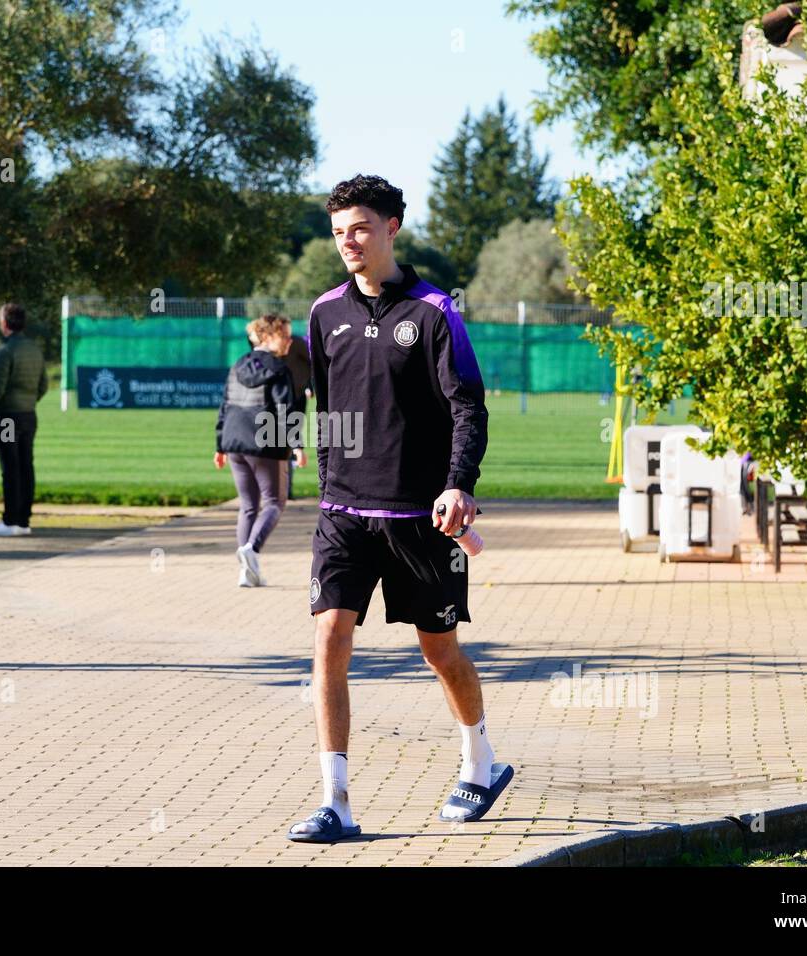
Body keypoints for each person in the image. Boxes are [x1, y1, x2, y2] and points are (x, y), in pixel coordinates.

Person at [287, 174, 509, 843]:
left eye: (359, 228)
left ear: (391, 227)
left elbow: (468, 404)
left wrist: (458, 484)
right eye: (337, 233)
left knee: (439, 652)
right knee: (329, 638)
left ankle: (481, 761)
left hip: (421, 517)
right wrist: (330, 478)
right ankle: (337, 802)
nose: (348, 242)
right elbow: (328, 405)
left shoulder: (436, 310)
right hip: (343, 514)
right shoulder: (324, 314)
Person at [214, 314, 307, 586]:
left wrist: (219, 444)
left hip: (233, 440)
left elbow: (225, 405)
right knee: (275, 502)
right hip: (265, 442)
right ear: (267, 336)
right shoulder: (279, 368)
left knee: (248, 506)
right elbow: (285, 410)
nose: (290, 341)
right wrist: (297, 444)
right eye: (285, 335)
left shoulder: (237, 364)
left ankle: (246, 571)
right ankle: (251, 549)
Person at [0, 302, 47, 536]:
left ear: (4, 323)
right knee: (26, 466)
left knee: (10, 468)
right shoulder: (34, 350)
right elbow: (43, 386)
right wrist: (28, 402)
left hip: (8, 418)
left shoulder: (5, 351)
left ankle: (10, 521)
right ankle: (23, 520)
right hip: (29, 416)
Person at [281, 331, 312, 501]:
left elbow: (310, 363)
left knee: (290, 435)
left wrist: (309, 386)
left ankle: (286, 489)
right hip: (282, 396)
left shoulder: (298, 343)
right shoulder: (269, 350)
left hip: (296, 394)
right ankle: (282, 489)